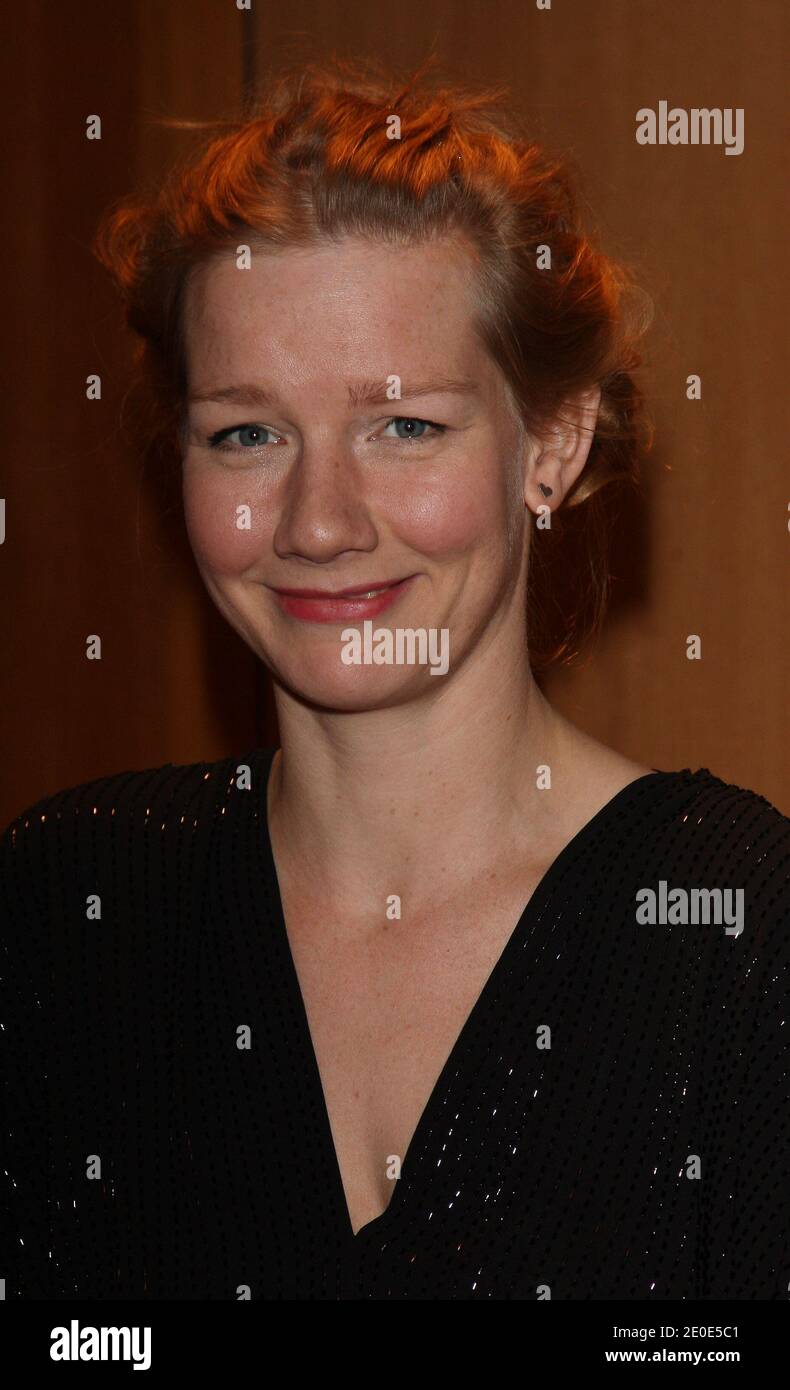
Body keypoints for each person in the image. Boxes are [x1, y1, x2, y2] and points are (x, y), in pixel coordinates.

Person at [2, 61, 788, 1301]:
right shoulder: (66, 909)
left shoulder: (736, 939)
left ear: (553, 442)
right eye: (246, 433)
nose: (318, 523)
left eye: (404, 426)